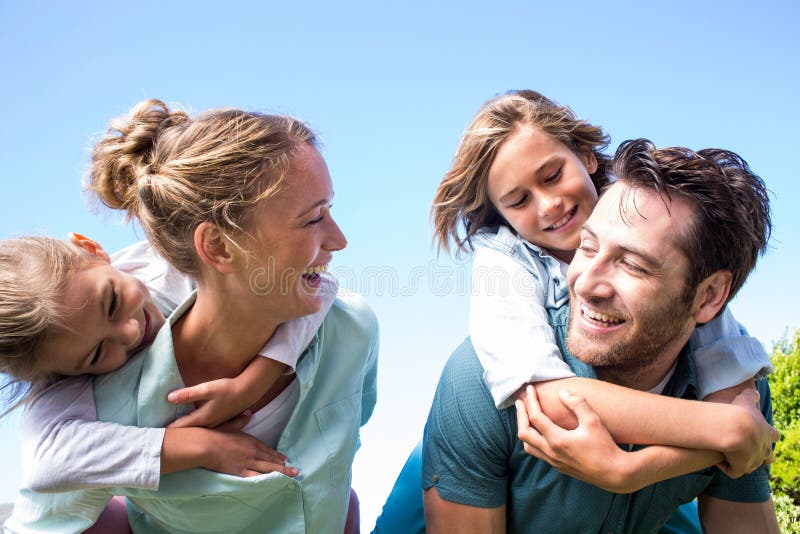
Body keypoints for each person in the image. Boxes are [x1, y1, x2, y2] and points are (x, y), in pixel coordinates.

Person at [372, 91, 775, 532]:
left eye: (552, 175)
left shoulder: (644, 215)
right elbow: (546, 397)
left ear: (586, 155)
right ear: (501, 213)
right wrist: (720, 434)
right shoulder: (503, 263)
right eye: (518, 201)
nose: (548, 205)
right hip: (470, 460)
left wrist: (724, 418)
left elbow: (724, 347)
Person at [5, 99, 378, 533]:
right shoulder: (102, 398)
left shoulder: (351, 330)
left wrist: (259, 376)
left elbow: (320, 293)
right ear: (217, 247)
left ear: (92, 250)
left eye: (326, 209)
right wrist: (190, 445)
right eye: (312, 218)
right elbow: (47, 464)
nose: (129, 332)